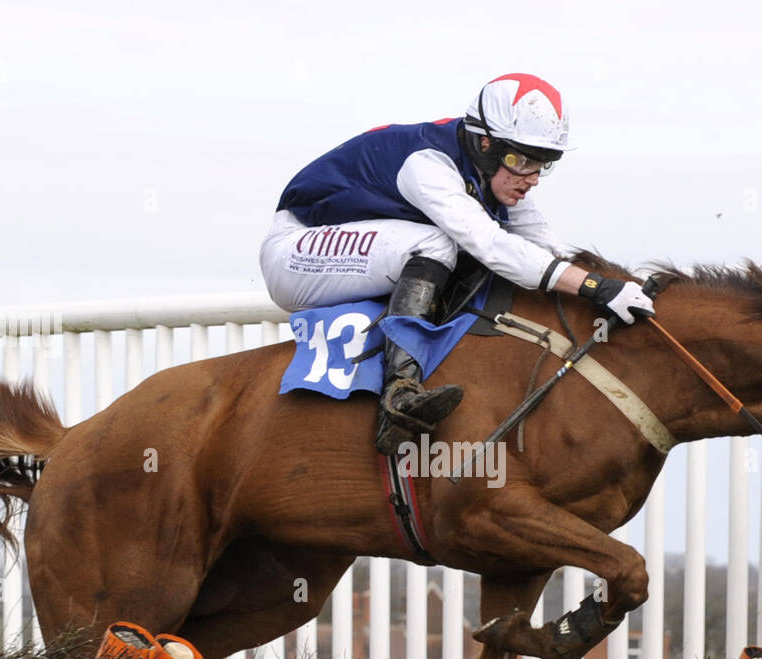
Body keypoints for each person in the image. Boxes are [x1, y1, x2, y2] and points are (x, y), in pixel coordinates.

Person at [260, 73, 656, 454]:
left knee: (472, 258)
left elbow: (550, 253)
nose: (532, 178)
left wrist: (619, 288)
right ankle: (400, 393)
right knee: (438, 245)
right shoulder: (428, 165)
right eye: (522, 160)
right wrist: (592, 287)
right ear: (485, 144)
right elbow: (492, 245)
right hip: (295, 254)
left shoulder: (498, 175)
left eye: (544, 163)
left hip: (349, 250)